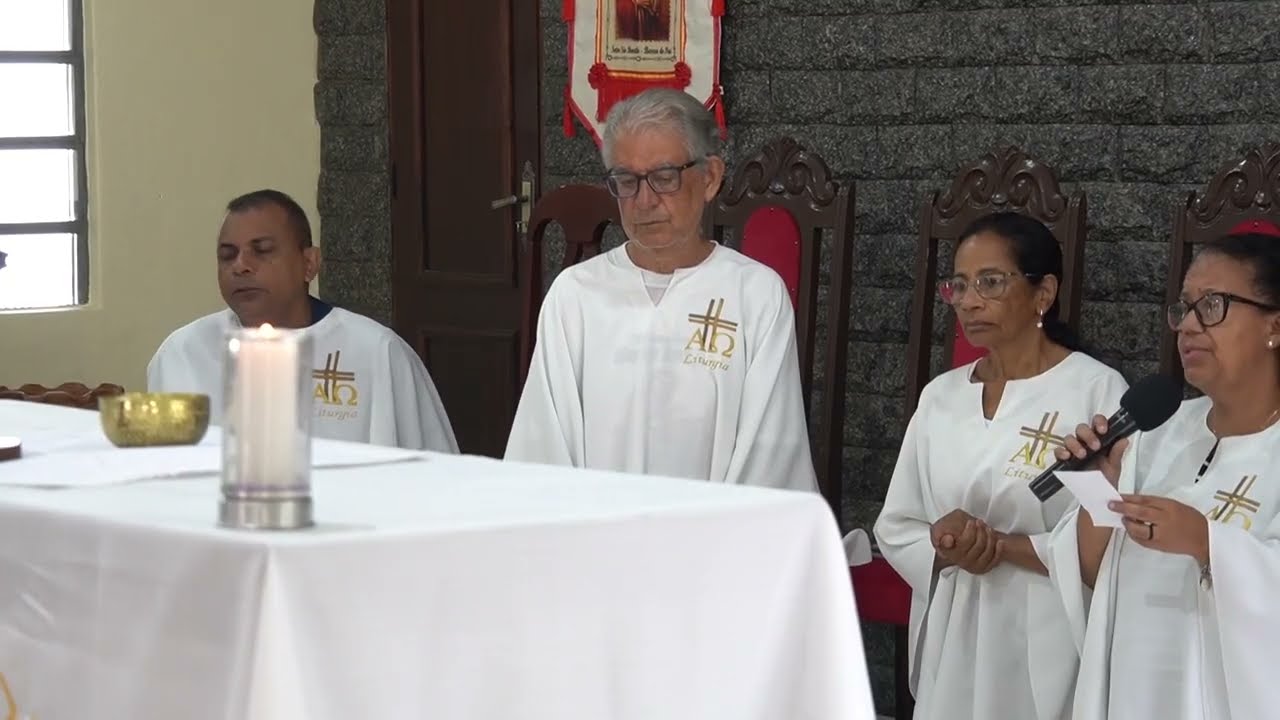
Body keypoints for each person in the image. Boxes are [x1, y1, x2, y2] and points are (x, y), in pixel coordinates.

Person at [873, 212, 1128, 720]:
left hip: (1050, 632)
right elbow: (898, 524)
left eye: (990, 282)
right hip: (956, 624)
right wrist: (943, 543)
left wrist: (1003, 547)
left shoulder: (1095, 391)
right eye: (959, 285)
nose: (969, 300)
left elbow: (1117, 529)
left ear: (1043, 292)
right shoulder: (941, 397)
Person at [504, 88, 816, 491]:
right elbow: (542, 453)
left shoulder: (756, 297)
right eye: (626, 181)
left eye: (665, 178)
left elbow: (769, 457)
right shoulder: (575, 296)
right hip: (597, 527)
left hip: (715, 528)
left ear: (709, 178)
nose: (644, 201)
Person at [1049, 226, 1280, 719]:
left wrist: (1205, 542)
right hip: (1133, 691)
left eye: (1212, 305)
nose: (1188, 326)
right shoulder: (1157, 432)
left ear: (1274, 326)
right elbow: (1092, 574)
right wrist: (1099, 487)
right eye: (1184, 308)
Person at [147, 189, 458, 453]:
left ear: (309, 264)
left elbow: (436, 476)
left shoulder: (377, 352)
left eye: (262, 250)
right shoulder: (182, 353)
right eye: (227, 255)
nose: (240, 266)